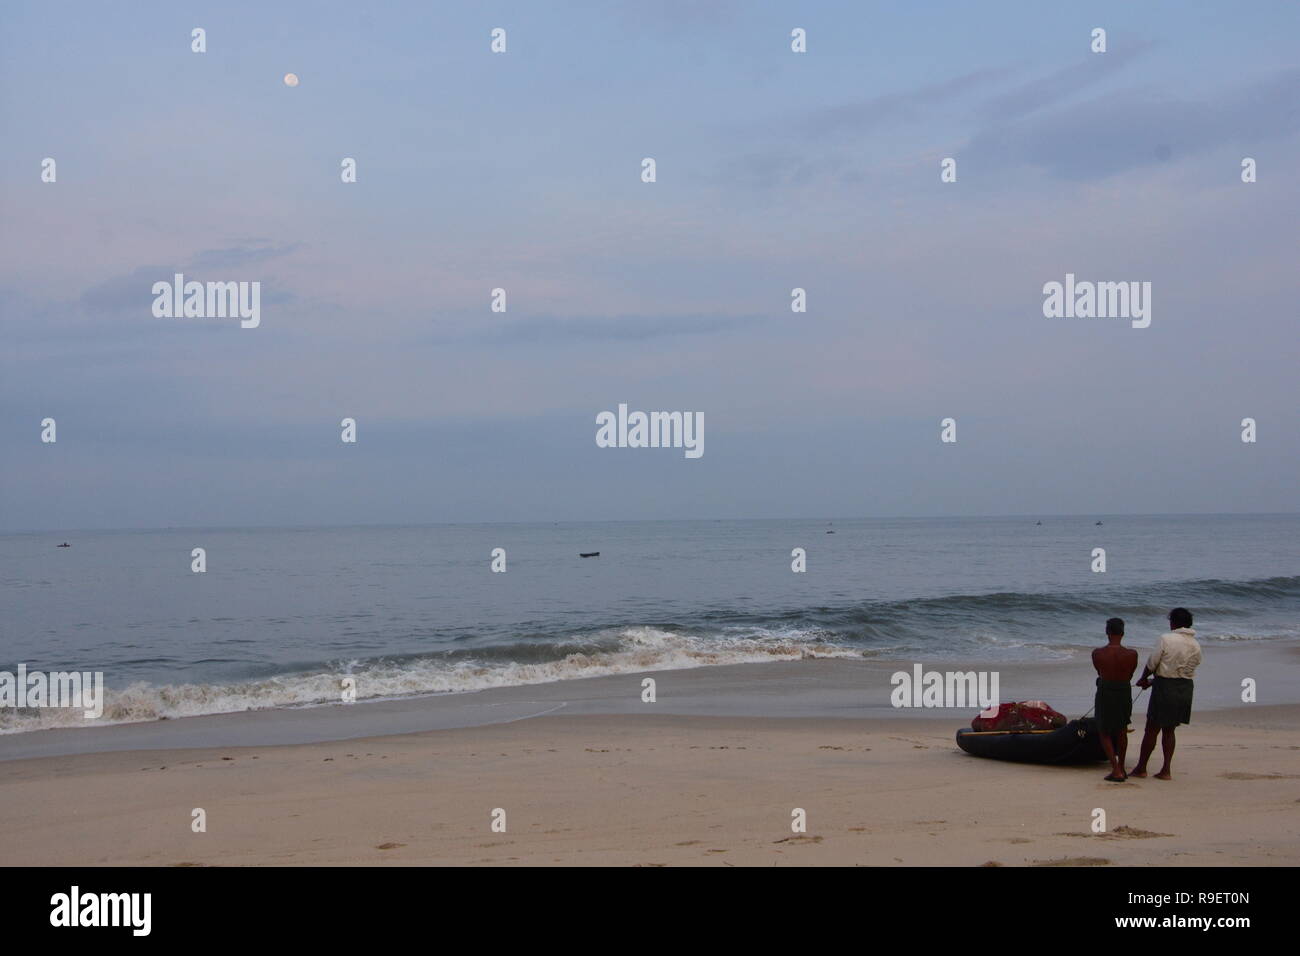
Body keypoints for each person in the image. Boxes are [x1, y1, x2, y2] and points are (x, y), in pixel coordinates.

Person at [1130, 608, 1202, 780]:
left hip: (1165, 688)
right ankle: (1166, 770)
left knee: (1152, 729)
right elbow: (1183, 671)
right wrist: (1153, 681)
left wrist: (1143, 678)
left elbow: (1153, 663)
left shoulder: (1167, 639)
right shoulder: (1196, 645)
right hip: (1184, 688)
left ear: (1174, 622)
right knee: (1169, 730)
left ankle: (1141, 768)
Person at [1092, 617, 1138, 782]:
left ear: (1107, 632)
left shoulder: (1098, 653)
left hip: (1105, 689)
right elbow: (1130, 674)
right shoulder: (1132, 654)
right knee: (1121, 729)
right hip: (1123, 690)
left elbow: (1099, 672)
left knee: (1104, 730)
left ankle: (1116, 768)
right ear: (1122, 633)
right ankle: (1122, 766)